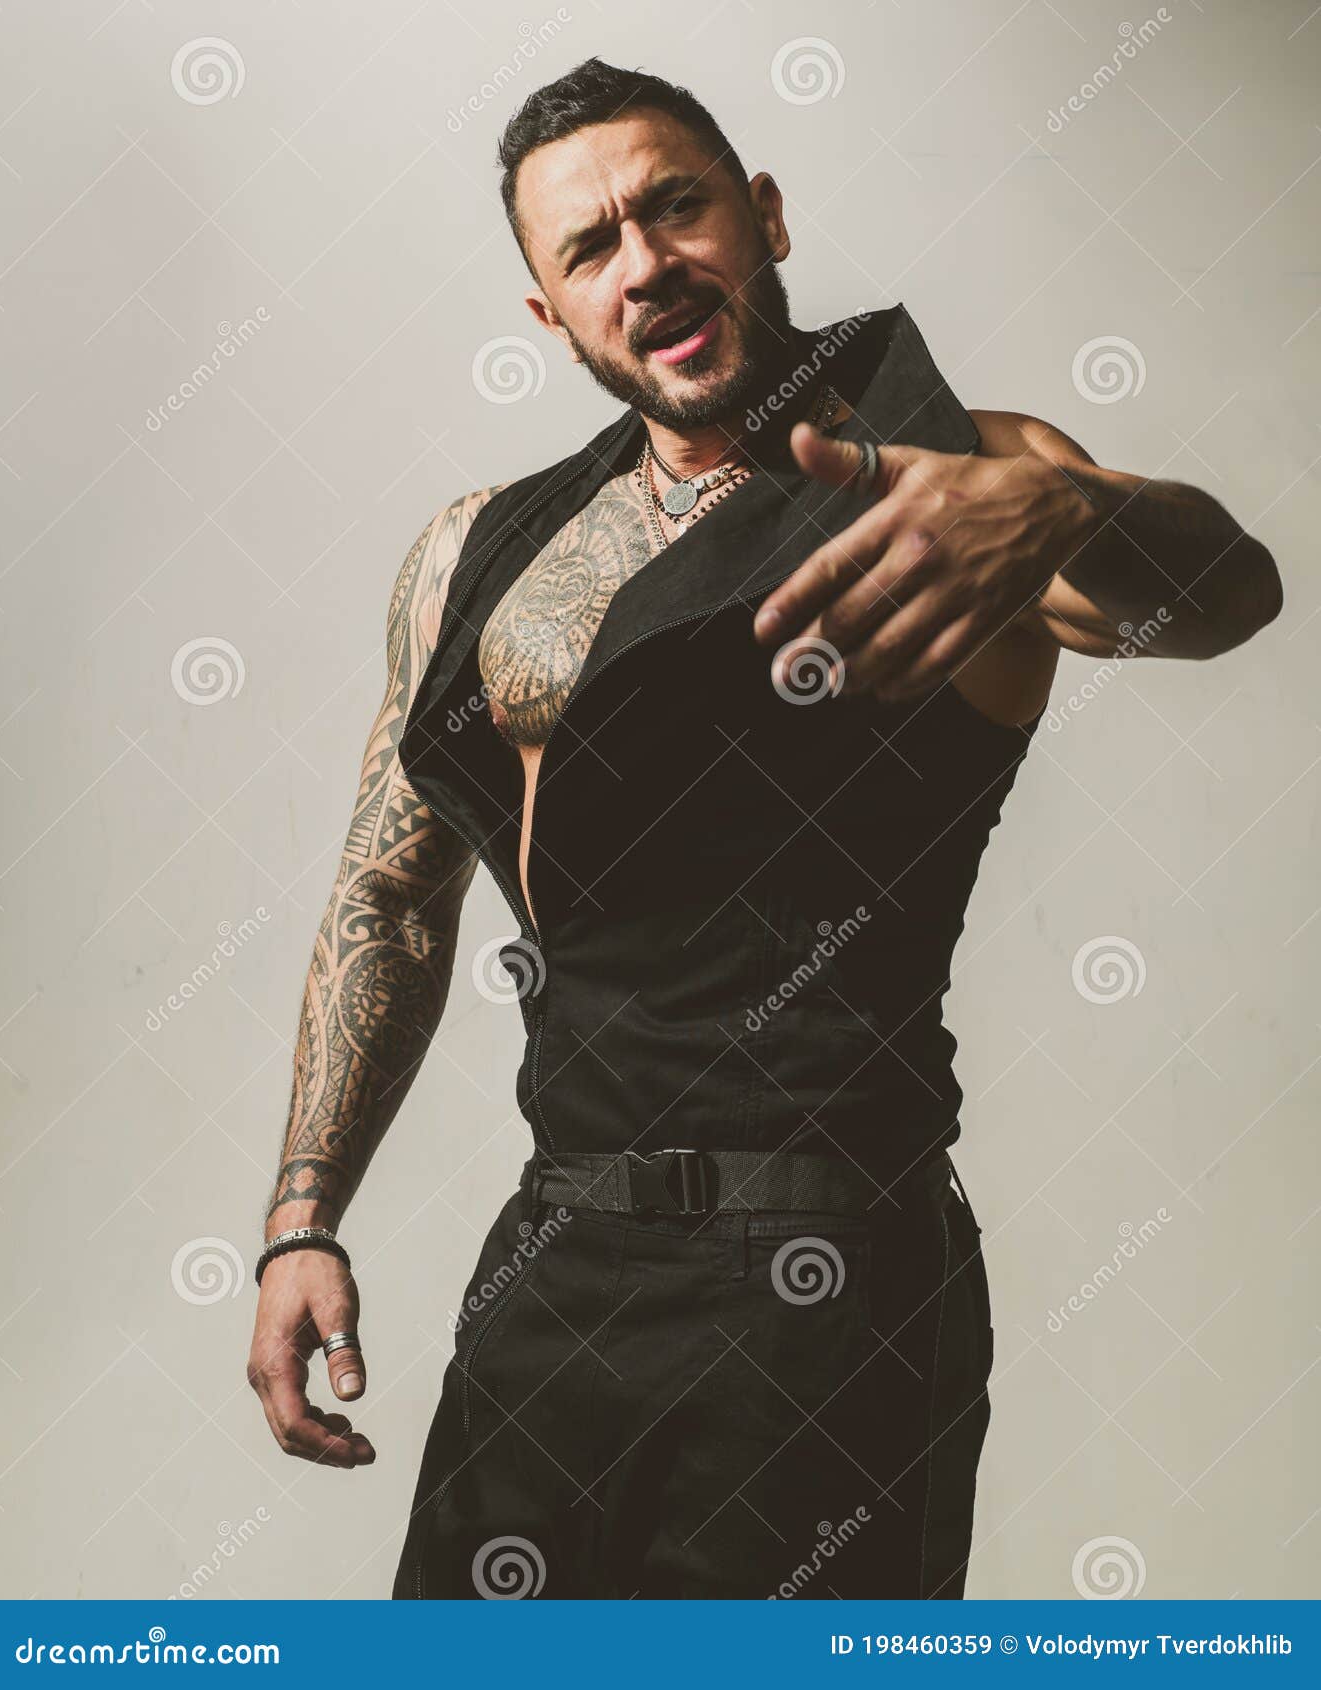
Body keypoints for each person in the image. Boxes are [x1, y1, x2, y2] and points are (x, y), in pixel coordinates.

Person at [245, 59, 1282, 1599]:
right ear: (551, 314)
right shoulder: (475, 553)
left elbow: (1227, 593)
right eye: (588, 247)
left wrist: (1071, 512)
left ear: (765, 217)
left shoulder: (963, 476)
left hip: (828, 1277)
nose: (644, 262)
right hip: (558, 1256)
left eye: (676, 207)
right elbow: (389, 896)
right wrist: (300, 1219)